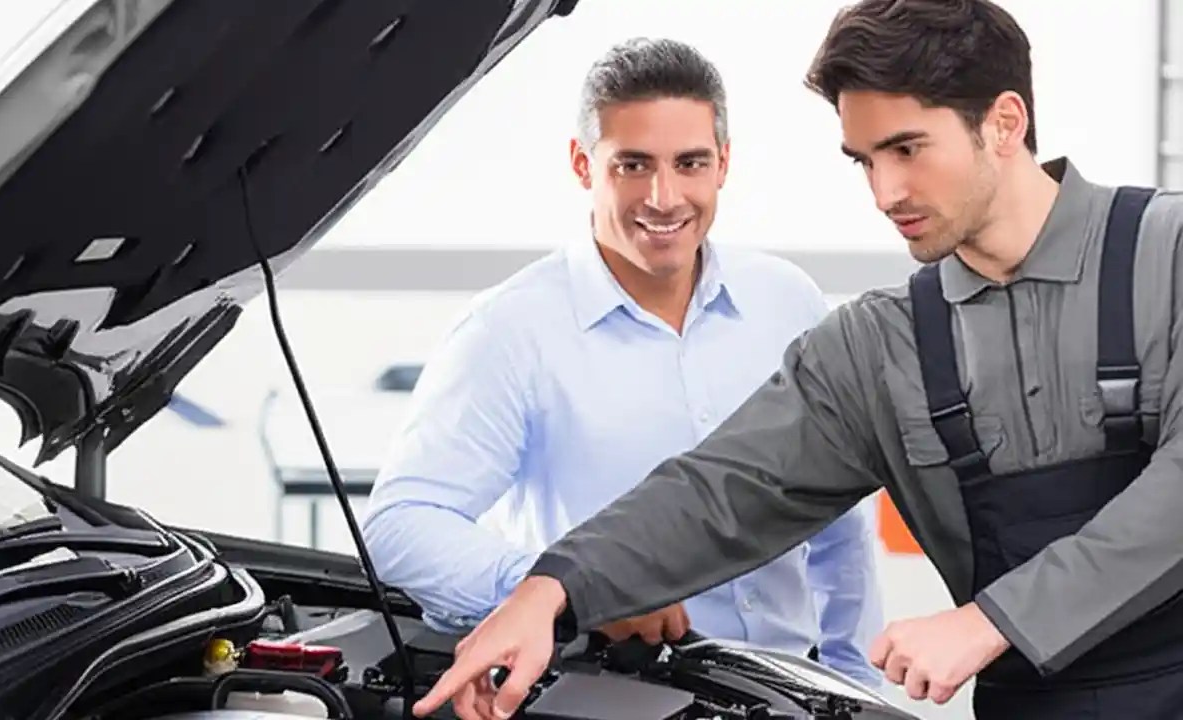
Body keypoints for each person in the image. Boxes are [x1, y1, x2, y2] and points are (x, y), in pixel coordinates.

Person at [412, 1, 1183, 719]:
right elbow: (720, 490)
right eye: (864, 161)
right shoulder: (880, 345)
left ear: (1005, 122)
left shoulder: (1169, 254)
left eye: (907, 149)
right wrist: (552, 588)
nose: (885, 192)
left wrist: (992, 621)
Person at [361, 37, 884, 688]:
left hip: (785, 694)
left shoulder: (788, 301)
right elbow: (401, 525)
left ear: (723, 164)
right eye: (633, 165)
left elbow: (840, 529)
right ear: (583, 164)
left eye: (690, 163)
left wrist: (856, 686)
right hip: (606, 694)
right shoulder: (509, 330)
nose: (664, 197)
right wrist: (568, 590)